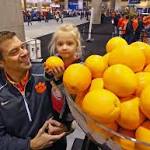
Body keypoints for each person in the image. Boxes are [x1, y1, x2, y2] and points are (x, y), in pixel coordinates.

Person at [0, 31, 70, 150]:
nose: (25, 52)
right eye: (14, 52)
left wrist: (66, 126)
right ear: (1, 63)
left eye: (22, 46)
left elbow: (69, 107)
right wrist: (30, 145)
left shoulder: (46, 73)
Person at [44, 23, 99, 150]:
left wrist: (59, 79)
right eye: (60, 44)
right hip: (54, 108)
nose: (64, 47)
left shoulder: (81, 68)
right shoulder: (54, 61)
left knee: (60, 137)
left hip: (69, 113)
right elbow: (47, 79)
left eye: (69, 43)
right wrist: (48, 73)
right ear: (55, 46)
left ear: (77, 46)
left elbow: (73, 95)